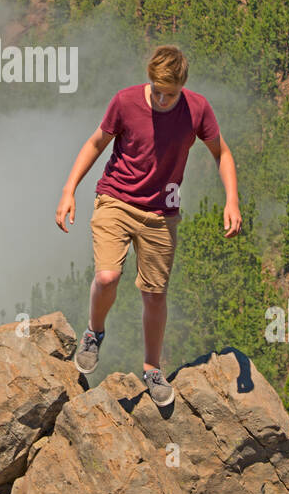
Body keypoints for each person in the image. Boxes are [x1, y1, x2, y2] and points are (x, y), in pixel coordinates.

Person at [54, 45, 241, 405]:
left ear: (182, 87)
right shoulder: (125, 102)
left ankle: (152, 369)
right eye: (155, 89)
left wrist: (231, 200)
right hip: (115, 199)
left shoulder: (196, 109)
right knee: (107, 276)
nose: (159, 98)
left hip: (161, 213)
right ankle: (94, 333)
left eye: (168, 93)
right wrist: (69, 189)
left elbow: (223, 153)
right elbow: (95, 144)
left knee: (154, 294)